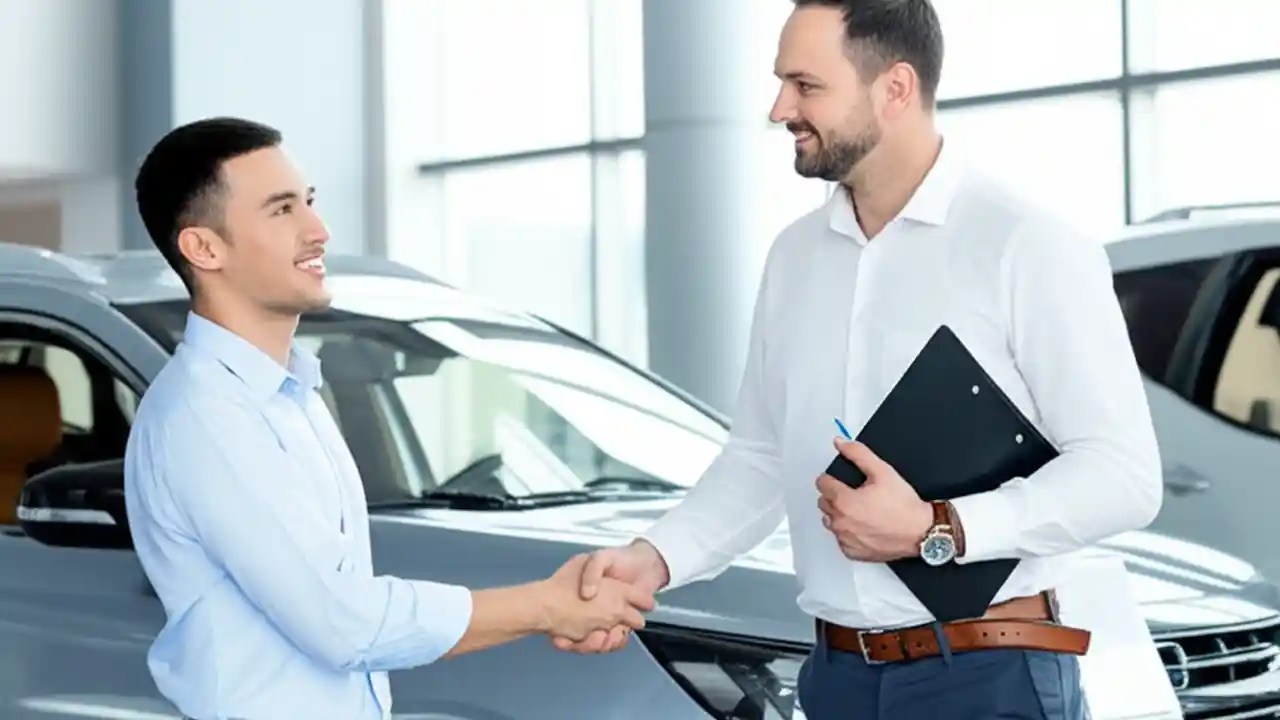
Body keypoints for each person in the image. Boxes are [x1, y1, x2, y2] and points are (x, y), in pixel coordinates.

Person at [554, 1, 1163, 717]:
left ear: (895, 88)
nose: (780, 107)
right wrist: (653, 559)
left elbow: (1124, 476)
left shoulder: (1026, 244)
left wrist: (939, 529)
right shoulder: (794, 257)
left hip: (986, 674)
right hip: (838, 675)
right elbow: (758, 457)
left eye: (806, 86)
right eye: (782, 82)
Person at [123, 117, 654, 720]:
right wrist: (548, 606)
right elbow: (342, 622)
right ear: (204, 248)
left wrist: (548, 610)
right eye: (281, 210)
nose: (318, 231)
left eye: (310, 203)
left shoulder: (289, 393)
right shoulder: (208, 416)